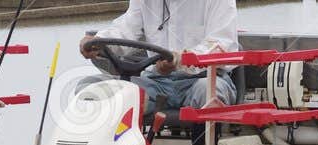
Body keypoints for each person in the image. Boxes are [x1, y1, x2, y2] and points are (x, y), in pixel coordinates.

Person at [81, 0, 239, 117]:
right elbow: (125, 29)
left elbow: (223, 44)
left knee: (208, 93)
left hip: (204, 79)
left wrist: (181, 60)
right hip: (156, 82)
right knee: (89, 87)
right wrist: (98, 41)